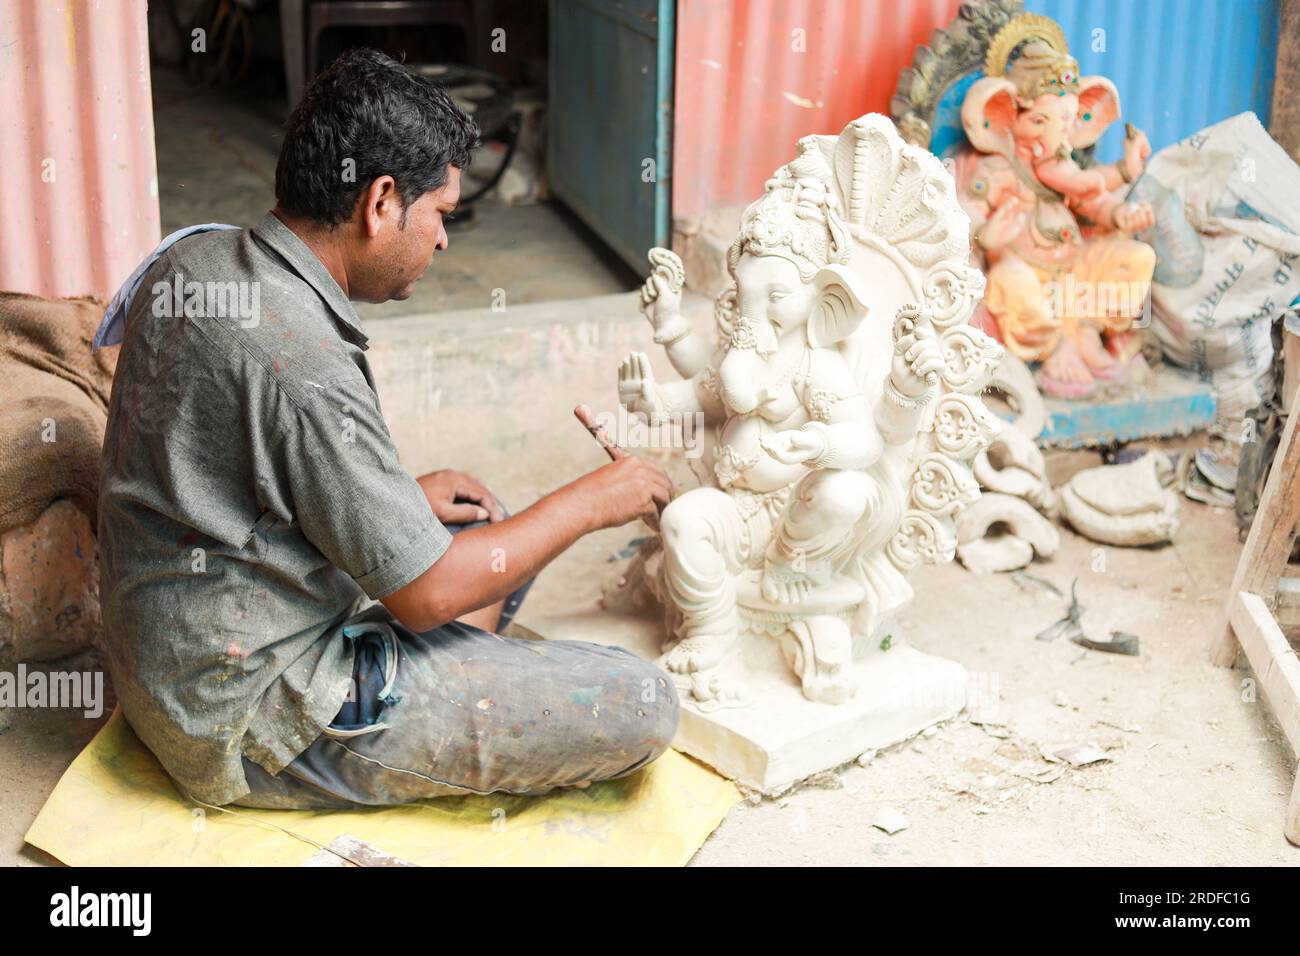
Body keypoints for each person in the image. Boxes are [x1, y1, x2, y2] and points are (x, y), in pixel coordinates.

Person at [96, 48, 678, 810]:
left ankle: (458, 676)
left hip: (172, 657)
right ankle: (428, 701)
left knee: (488, 524)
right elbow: (429, 596)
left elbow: (229, 459)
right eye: (439, 214)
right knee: (639, 700)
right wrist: (597, 499)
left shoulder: (197, 256)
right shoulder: (302, 364)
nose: (442, 242)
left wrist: (399, 496)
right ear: (379, 203)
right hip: (255, 717)